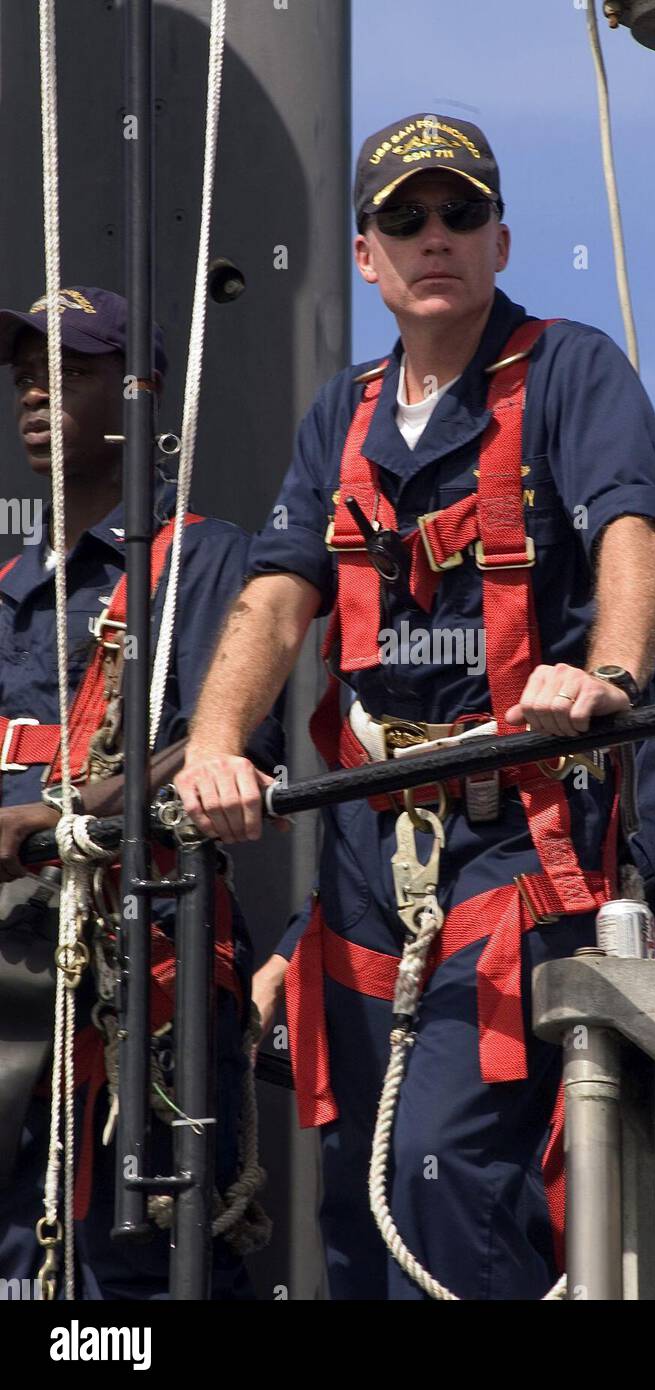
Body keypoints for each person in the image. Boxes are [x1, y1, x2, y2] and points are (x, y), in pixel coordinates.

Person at [176, 113, 655, 1300]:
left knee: (440, 1166)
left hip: (521, 830)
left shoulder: (569, 371)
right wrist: (212, 745)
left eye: (461, 214)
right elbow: (277, 595)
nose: (436, 237)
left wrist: (611, 677)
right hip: (367, 846)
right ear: (366, 254)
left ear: (500, 241)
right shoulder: (343, 415)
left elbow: (637, 530)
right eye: (405, 218)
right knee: (350, 1191)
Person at [0, 286, 285, 1299]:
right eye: (26, 379)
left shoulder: (203, 559)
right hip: (14, 967)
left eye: (69, 374)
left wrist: (64, 817)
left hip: (139, 968)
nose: (36, 396)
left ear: (139, 394)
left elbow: (221, 743)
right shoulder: (9, 587)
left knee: (144, 1261)